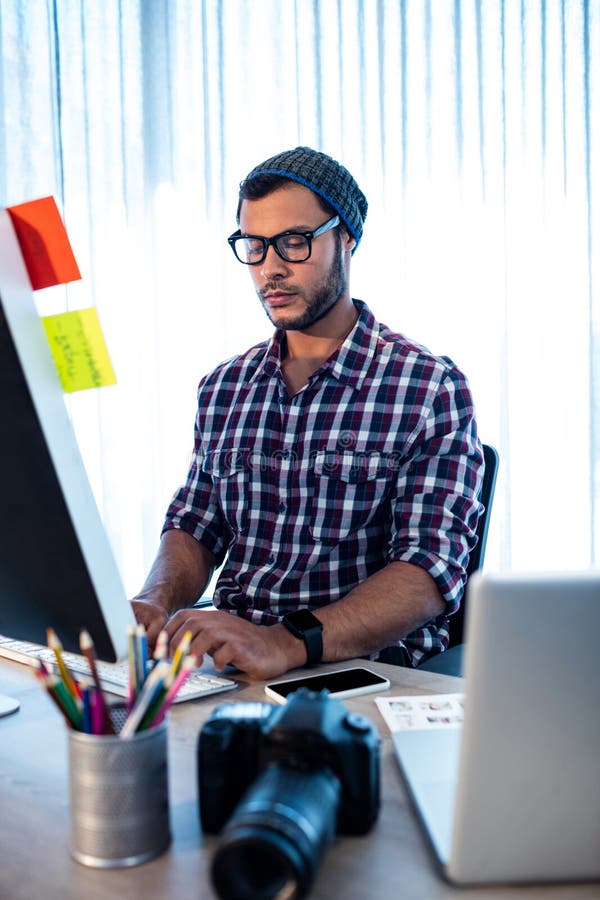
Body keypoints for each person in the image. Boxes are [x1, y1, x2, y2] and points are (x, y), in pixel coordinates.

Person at [132, 146, 484, 679]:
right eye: (254, 246)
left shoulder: (428, 387)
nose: (270, 268)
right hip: (231, 665)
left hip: (360, 671)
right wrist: (155, 603)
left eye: (294, 242)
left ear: (347, 237)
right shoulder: (224, 388)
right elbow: (195, 524)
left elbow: (429, 573)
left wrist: (284, 642)